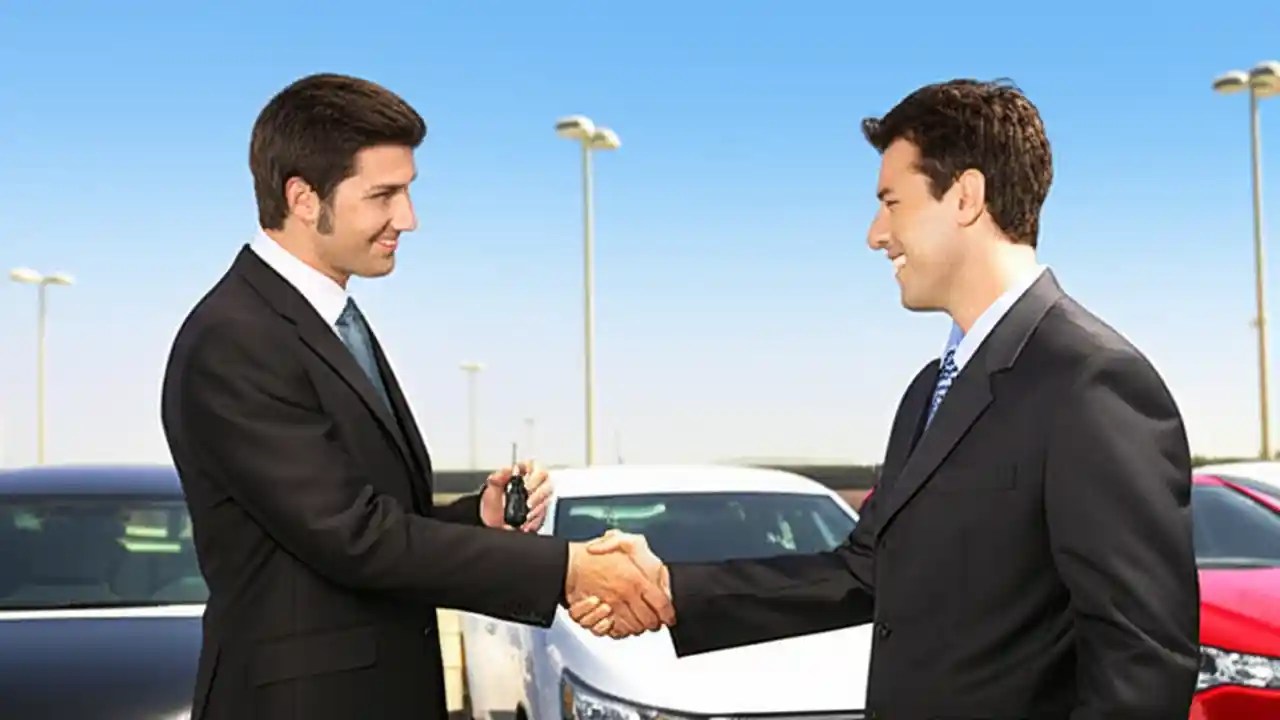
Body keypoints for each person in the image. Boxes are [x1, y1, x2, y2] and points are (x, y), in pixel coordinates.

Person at [570, 79, 1200, 718]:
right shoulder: (929, 391)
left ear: (965, 198)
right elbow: (863, 571)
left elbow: (1143, 661)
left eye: (891, 202)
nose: (876, 234)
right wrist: (669, 587)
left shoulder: (1091, 381)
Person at [160, 72, 672, 720]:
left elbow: (375, 513)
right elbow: (355, 538)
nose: (408, 218)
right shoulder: (235, 339)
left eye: (407, 192)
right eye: (384, 195)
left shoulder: (327, 321)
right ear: (303, 198)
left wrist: (479, 518)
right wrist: (566, 568)